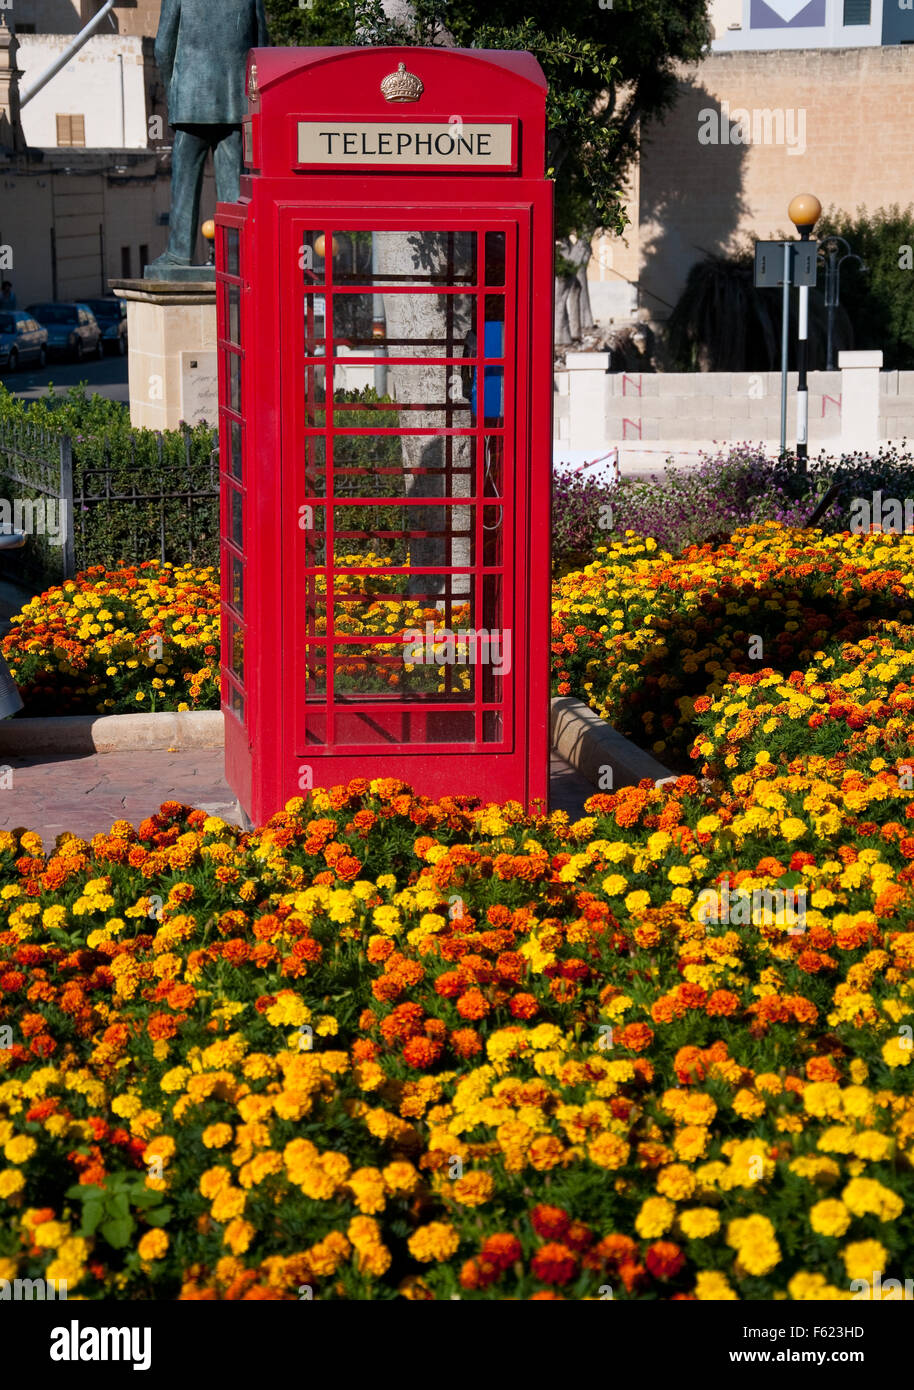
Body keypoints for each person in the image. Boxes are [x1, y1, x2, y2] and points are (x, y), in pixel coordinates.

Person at [145, 0, 269, 275]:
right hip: (233, 105)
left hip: (190, 103)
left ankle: (179, 254)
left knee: (184, 185)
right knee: (233, 192)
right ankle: (236, 257)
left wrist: (174, 92)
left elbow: (163, 48)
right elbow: (262, 51)